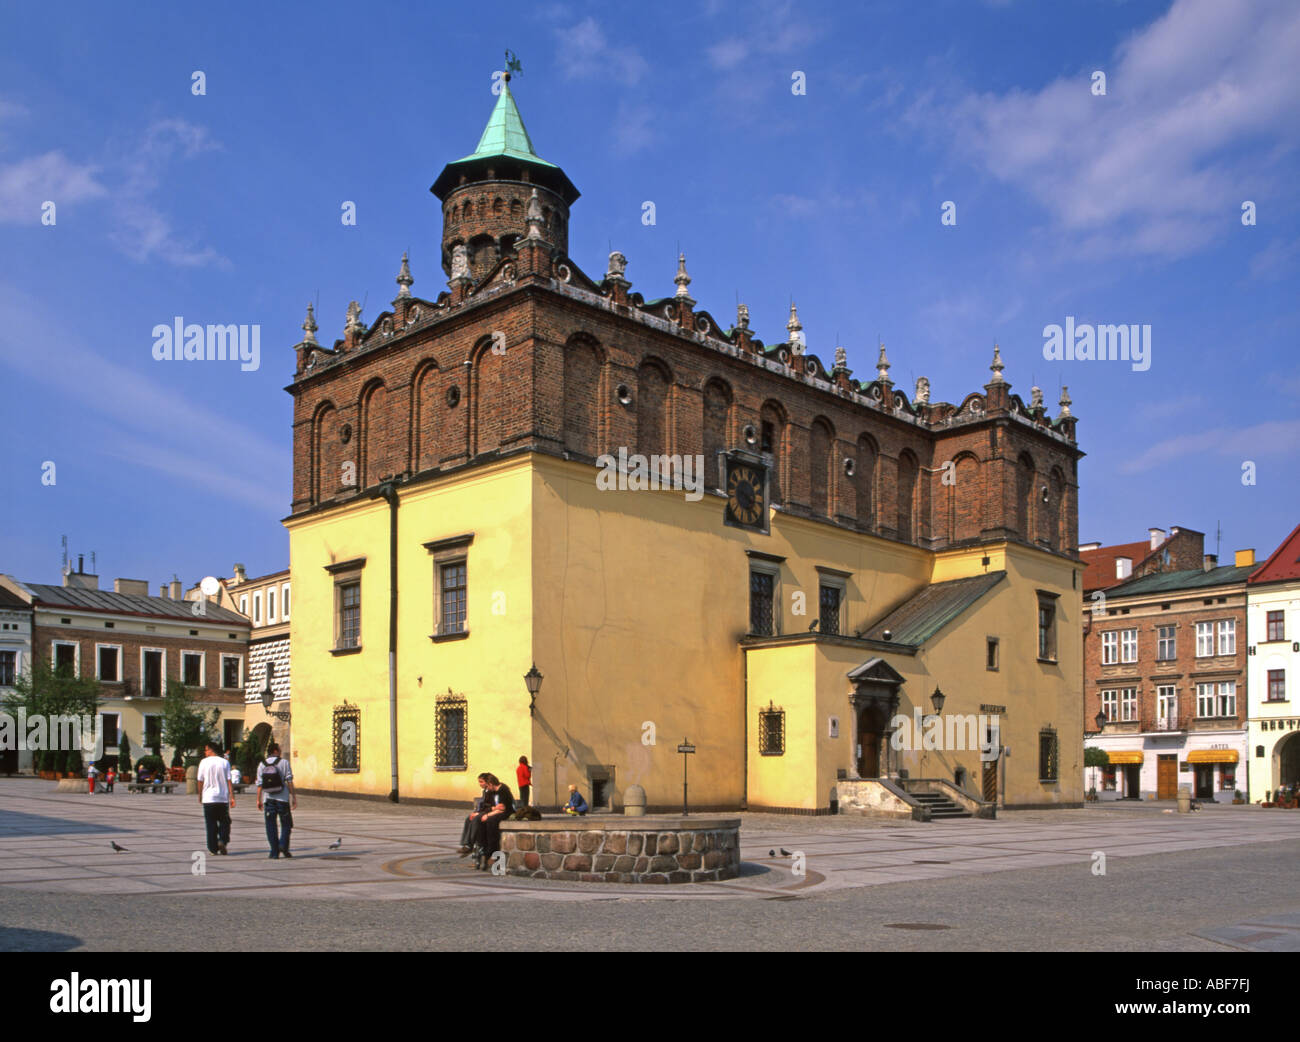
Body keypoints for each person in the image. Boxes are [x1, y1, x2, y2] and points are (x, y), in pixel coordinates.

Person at [257, 742, 296, 859]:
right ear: (275, 751)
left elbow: (259, 784)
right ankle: (283, 844)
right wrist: (293, 796)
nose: (280, 751)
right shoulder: (284, 763)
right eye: (279, 749)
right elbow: (289, 781)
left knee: (270, 825)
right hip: (282, 798)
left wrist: (258, 800)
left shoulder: (261, 764)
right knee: (286, 823)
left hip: (268, 798)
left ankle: (274, 852)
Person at [468, 773, 514, 870]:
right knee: (480, 821)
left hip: (506, 812)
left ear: (491, 784)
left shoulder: (503, 790)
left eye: (488, 786)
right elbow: (488, 806)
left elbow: (502, 808)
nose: (487, 788)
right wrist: (488, 811)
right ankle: (482, 847)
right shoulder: (491, 792)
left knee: (491, 821)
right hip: (495, 811)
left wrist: (488, 815)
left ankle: (492, 850)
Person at [196, 740, 234, 855]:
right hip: (222, 798)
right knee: (225, 821)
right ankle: (222, 840)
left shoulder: (203, 762)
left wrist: (200, 795)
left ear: (211, 750)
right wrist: (232, 797)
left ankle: (213, 848)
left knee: (211, 823)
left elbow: (200, 781)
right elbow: (229, 781)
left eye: (206, 749)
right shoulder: (224, 762)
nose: (205, 752)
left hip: (208, 798)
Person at [458, 774, 491, 856]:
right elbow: (482, 804)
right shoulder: (485, 791)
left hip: (488, 812)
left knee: (475, 820)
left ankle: (470, 844)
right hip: (482, 811)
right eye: (479, 782)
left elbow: (489, 805)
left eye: (481, 782)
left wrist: (478, 813)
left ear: (487, 782)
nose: (480, 784)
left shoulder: (491, 791)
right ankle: (465, 843)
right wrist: (476, 811)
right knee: (468, 819)